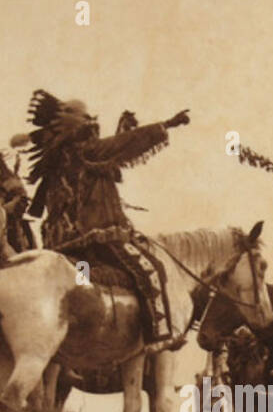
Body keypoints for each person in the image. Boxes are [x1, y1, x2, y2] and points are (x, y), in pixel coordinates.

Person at [15, 90, 191, 348]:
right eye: (87, 118)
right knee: (151, 268)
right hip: (96, 239)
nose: (91, 123)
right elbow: (127, 143)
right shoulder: (87, 150)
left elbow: (117, 148)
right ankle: (158, 336)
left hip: (60, 244)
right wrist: (168, 124)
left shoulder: (56, 159)